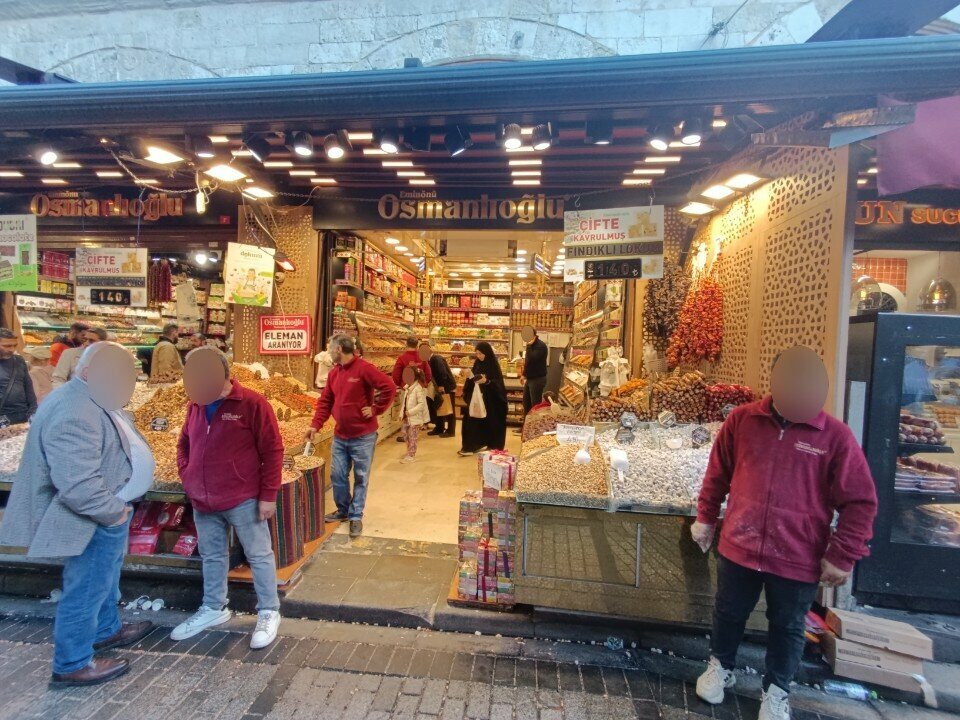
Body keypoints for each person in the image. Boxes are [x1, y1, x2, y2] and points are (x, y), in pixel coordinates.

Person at [692, 346, 878, 720]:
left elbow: (861, 501)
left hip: (798, 554)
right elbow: (718, 473)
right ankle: (720, 666)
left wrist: (842, 555)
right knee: (728, 612)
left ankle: (777, 690)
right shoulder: (742, 421)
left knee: (788, 626)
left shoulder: (835, 437)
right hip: (739, 545)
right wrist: (706, 517)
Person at [0, 342, 155, 687]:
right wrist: (113, 514)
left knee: (104, 580)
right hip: (93, 517)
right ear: (87, 371)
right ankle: (72, 663)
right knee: (86, 588)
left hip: (106, 510)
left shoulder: (90, 398)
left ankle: (106, 630)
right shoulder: (74, 408)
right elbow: (76, 482)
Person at [172, 347, 284, 650]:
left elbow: (273, 450)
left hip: (242, 497)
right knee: (212, 555)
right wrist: (188, 473)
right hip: (203, 499)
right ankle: (213, 607)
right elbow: (184, 443)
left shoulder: (252, 403)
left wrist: (268, 495)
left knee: (259, 554)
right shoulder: (195, 404)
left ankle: (269, 610)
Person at [306, 334, 396, 538]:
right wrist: (315, 425)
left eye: (330, 348)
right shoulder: (334, 373)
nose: (329, 352)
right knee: (337, 475)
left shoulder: (364, 368)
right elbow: (325, 401)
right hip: (341, 435)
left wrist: (376, 409)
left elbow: (389, 387)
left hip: (363, 436)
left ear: (339, 349)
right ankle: (343, 510)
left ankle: (356, 516)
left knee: (361, 477)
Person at [458, 341, 507, 457]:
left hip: (491, 401)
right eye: (477, 354)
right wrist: (469, 376)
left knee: (491, 422)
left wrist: (487, 381)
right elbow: (473, 379)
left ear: (487, 353)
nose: (478, 356)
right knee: (470, 421)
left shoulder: (493, 365)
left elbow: (498, 384)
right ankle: (471, 446)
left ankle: (492, 445)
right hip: (477, 399)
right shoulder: (477, 364)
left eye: (480, 353)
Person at [392, 336, 432, 442]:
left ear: (406, 344)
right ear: (417, 345)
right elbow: (428, 373)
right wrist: (424, 384)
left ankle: (406, 435)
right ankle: (414, 434)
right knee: (417, 411)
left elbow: (396, 374)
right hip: (420, 387)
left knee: (407, 411)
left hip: (407, 389)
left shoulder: (402, 358)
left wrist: (400, 384)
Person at [0, 328, 37, 425]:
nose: (12, 349)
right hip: (3, 418)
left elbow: (28, 387)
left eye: (14, 345)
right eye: (7, 346)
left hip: (22, 416)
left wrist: (33, 411)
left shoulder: (19, 360)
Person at [419, 342, 456, 438]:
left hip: (447, 386)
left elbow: (442, 373)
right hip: (439, 387)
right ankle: (439, 428)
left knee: (449, 408)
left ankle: (451, 431)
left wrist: (441, 385)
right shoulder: (430, 360)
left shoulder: (436, 359)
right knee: (439, 406)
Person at [398, 366, 430, 464]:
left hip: (415, 418)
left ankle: (411, 455)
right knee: (405, 434)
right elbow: (404, 403)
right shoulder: (407, 388)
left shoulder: (418, 389)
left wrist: (411, 412)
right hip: (407, 417)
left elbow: (421, 404)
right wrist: (401, 414)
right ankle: (409, 451)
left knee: (413, 437)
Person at [521, 326, 548, 416]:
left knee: (535, 406)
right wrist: (524, 374)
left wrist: (528, 346)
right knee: (526, 403)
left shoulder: (540, 346)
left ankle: (534, 424)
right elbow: (528, 362)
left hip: (537, 379)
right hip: (530, 379)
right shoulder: (531, 345)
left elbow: (532, 359)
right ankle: (526, 424)